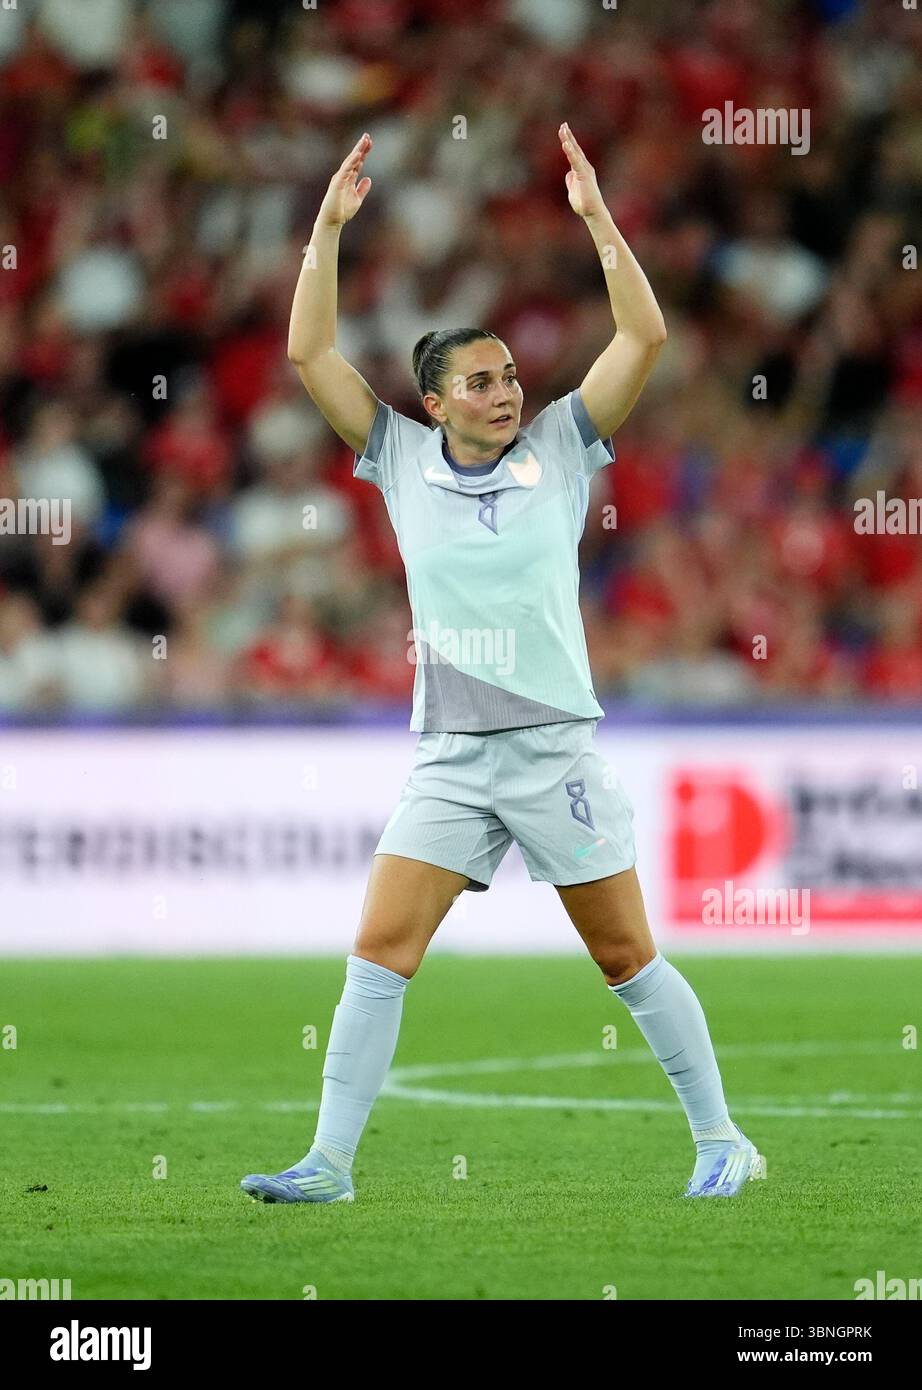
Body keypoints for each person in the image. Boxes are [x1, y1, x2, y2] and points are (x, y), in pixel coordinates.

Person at [241, 126, 765, 1204]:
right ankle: (329, 1164)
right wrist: (328, 230)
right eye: (480, 382)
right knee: (380, 949)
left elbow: (645, 337)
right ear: (432, 401)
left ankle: (722, 1139)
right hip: (449, 753)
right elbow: (309, 356)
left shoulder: (563, 445)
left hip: (549, 749)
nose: (505, 391)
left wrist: (595, 221)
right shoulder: (393, 455)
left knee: (624, 957)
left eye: (510, 375)